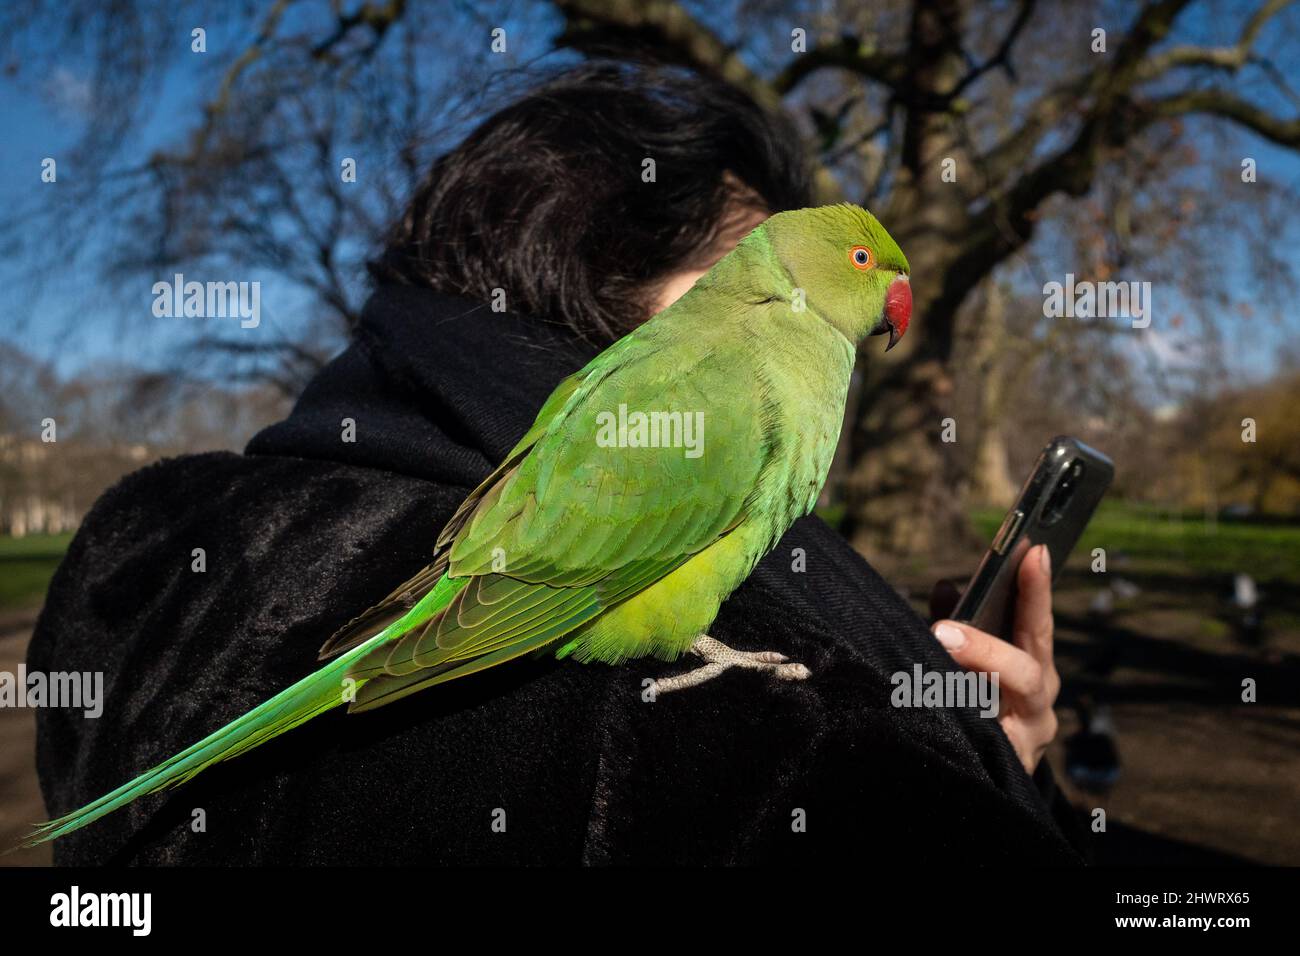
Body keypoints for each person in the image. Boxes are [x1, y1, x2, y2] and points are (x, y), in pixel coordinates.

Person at [30, 61, 1082, 864]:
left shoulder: (173, 550)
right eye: (867, 261)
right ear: (593, 267)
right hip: (548, 586)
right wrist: (992, 773)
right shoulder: (728, 374)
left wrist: (999, 747)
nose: (891, 291)